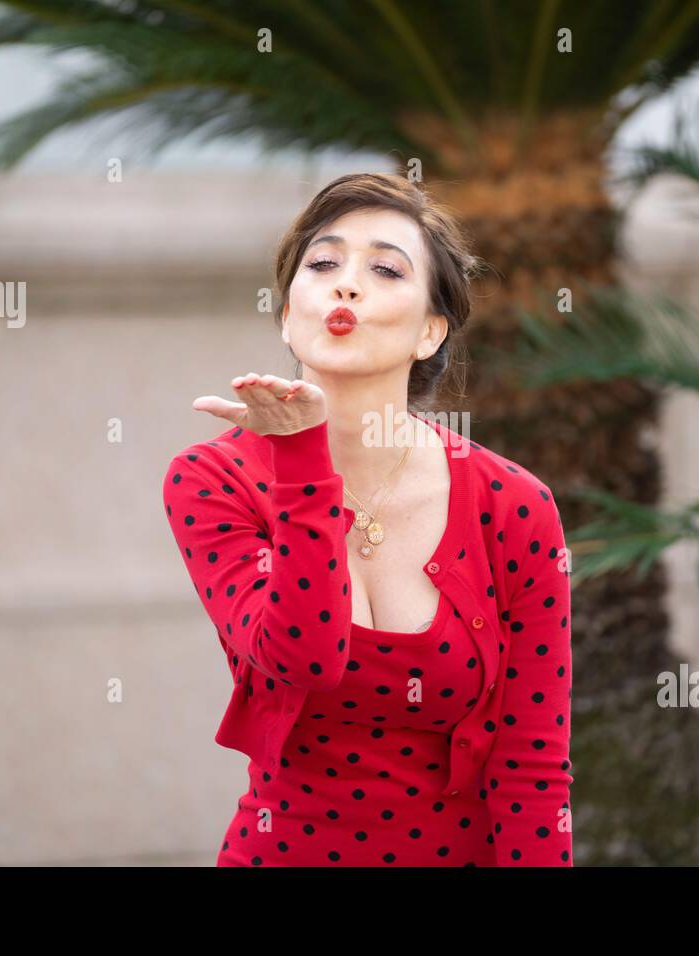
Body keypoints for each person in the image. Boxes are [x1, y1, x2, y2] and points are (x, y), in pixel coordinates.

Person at [162, 172, 573, 866]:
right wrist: (299, 462)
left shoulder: (514, 504)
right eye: (322, 264)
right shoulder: (211, 480)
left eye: (385, 269)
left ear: (430, 331)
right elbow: (305, 656)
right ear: (289, 315)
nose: (345, 285)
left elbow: (533, 767)